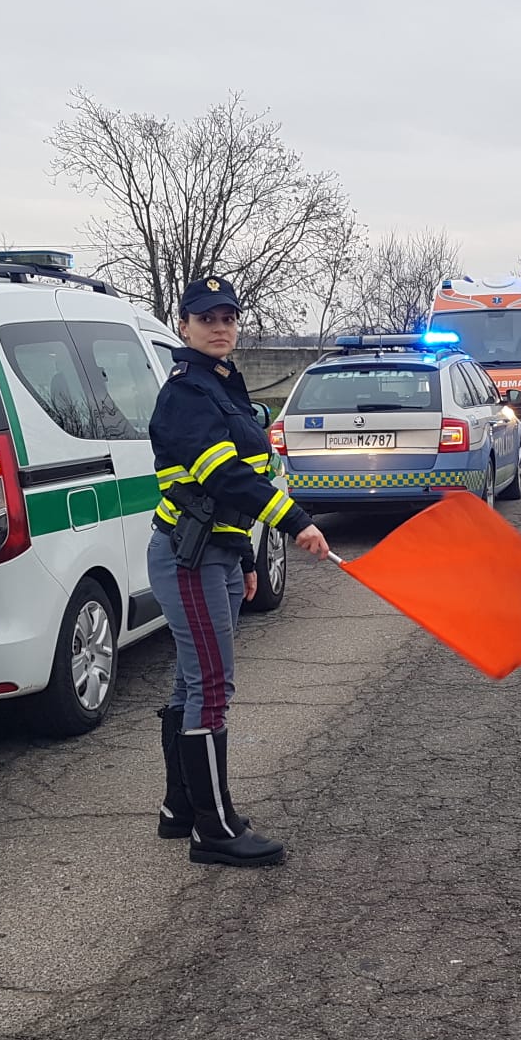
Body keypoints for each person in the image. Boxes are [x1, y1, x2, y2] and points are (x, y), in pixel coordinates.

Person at [148, 275, 330, 867]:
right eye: (207, 318)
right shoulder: (186, 395)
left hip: (218, 554)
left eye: (227, 317)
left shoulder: (222, 383)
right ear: (184, 326)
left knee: (190, 682)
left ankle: (180, 810)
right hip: (188, 556)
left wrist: (248, 555)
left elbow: (228, 490)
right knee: (211, 687)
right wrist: (293, 520)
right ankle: (215, 830)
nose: (220, 327)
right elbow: (225, 477)